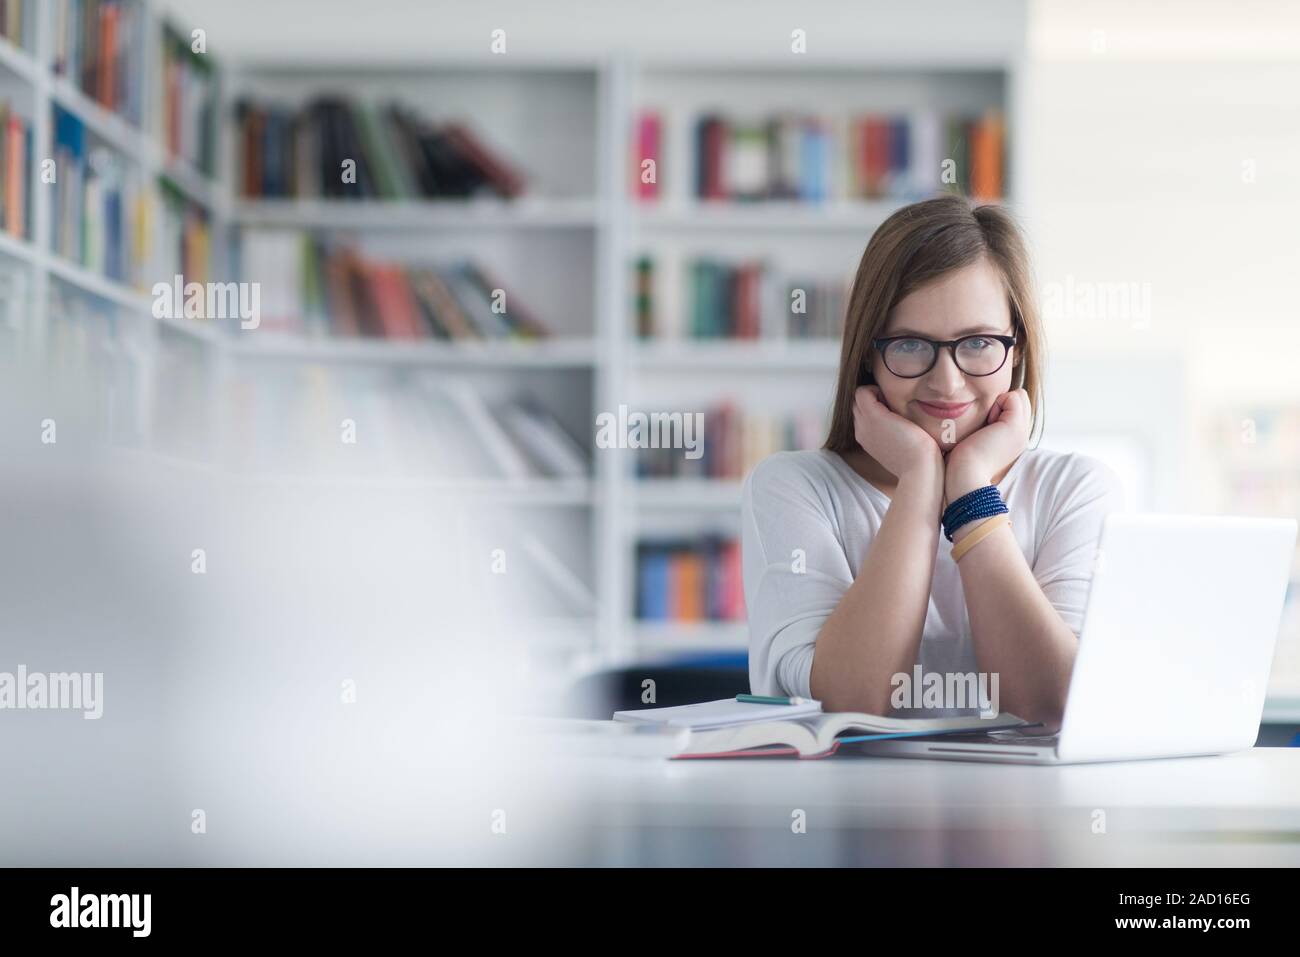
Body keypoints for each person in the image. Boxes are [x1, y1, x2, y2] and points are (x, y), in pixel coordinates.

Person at [741, 194, 1124, 728]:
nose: (946, 381)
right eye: (909, 345)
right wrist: (921, 476)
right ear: (868, 356)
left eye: (978, 342)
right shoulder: (794, 486)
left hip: (1026, 812)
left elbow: (1049, 705)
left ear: (1017, 349)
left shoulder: (1075, 489)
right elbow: (852, 703)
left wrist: (969, 489)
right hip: (843, 811)